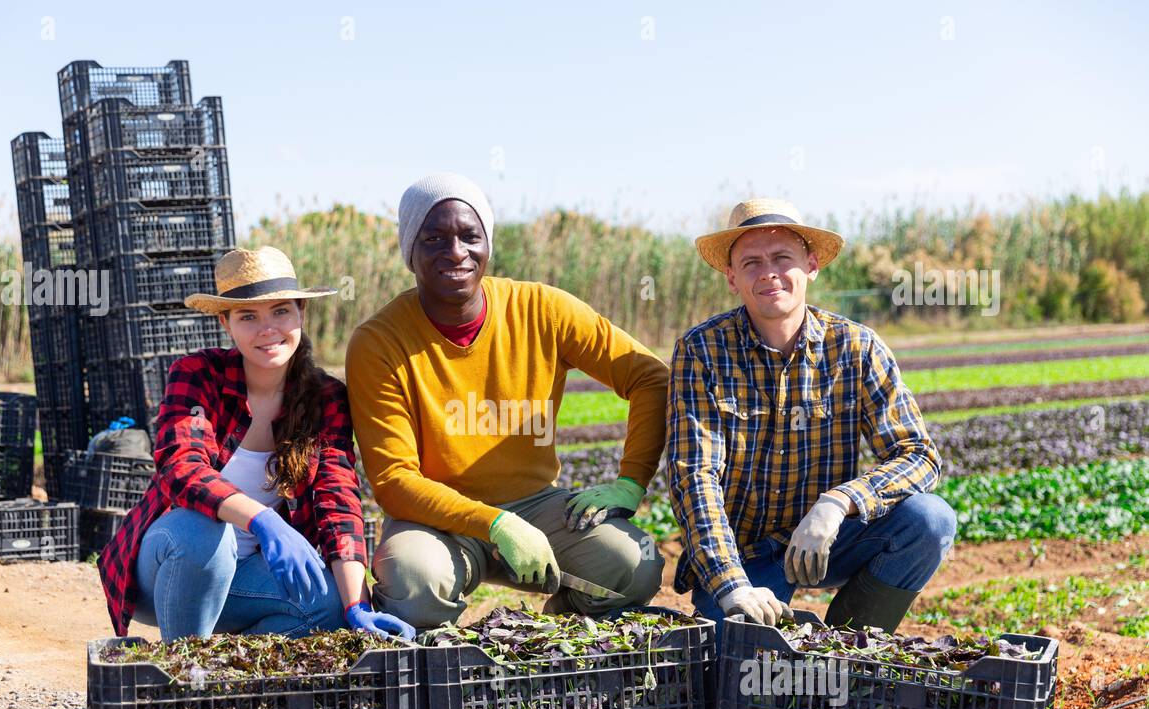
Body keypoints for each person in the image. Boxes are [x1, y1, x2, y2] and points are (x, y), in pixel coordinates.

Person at [345, 172, 669, 628]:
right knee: (415, 583)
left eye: (468, 236)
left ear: (487, 244)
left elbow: (649, 377)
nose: (455, 252)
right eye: (434, 238)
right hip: (435, 519)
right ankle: (441, 656)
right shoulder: (379, 342)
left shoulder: (544, 310)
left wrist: (631, 483)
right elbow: (395, 480)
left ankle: (569, 612)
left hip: (536, 505)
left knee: (636, 565)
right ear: (409, 251)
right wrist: (495, 524)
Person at [97, 246, 415, 643]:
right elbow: (183, 469)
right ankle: (183, 672)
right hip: (172, 566)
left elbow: (338, 499)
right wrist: (264, 521)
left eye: (281, 311)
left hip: (250, 579)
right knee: (204, 532)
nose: (268, 329)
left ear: (301, 313)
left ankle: (230, 666)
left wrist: (357, 605)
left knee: (329, 603)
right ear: (226, 323)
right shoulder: (198, 374)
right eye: (248, 316)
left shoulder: (326, 397)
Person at [668, 198, 956, 635]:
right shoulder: (703, 351)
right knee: (736, 648)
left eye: (783, 258)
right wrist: (732, 586)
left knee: (930, 520)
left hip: (830, 536)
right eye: (751, 263)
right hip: (744, 554)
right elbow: (695, 477)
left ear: (811, 265)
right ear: (731, 278)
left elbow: (919, 455)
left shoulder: (856, 348)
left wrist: (839, 502)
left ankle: (851, 642)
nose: (769, 272)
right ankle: (743, 608)